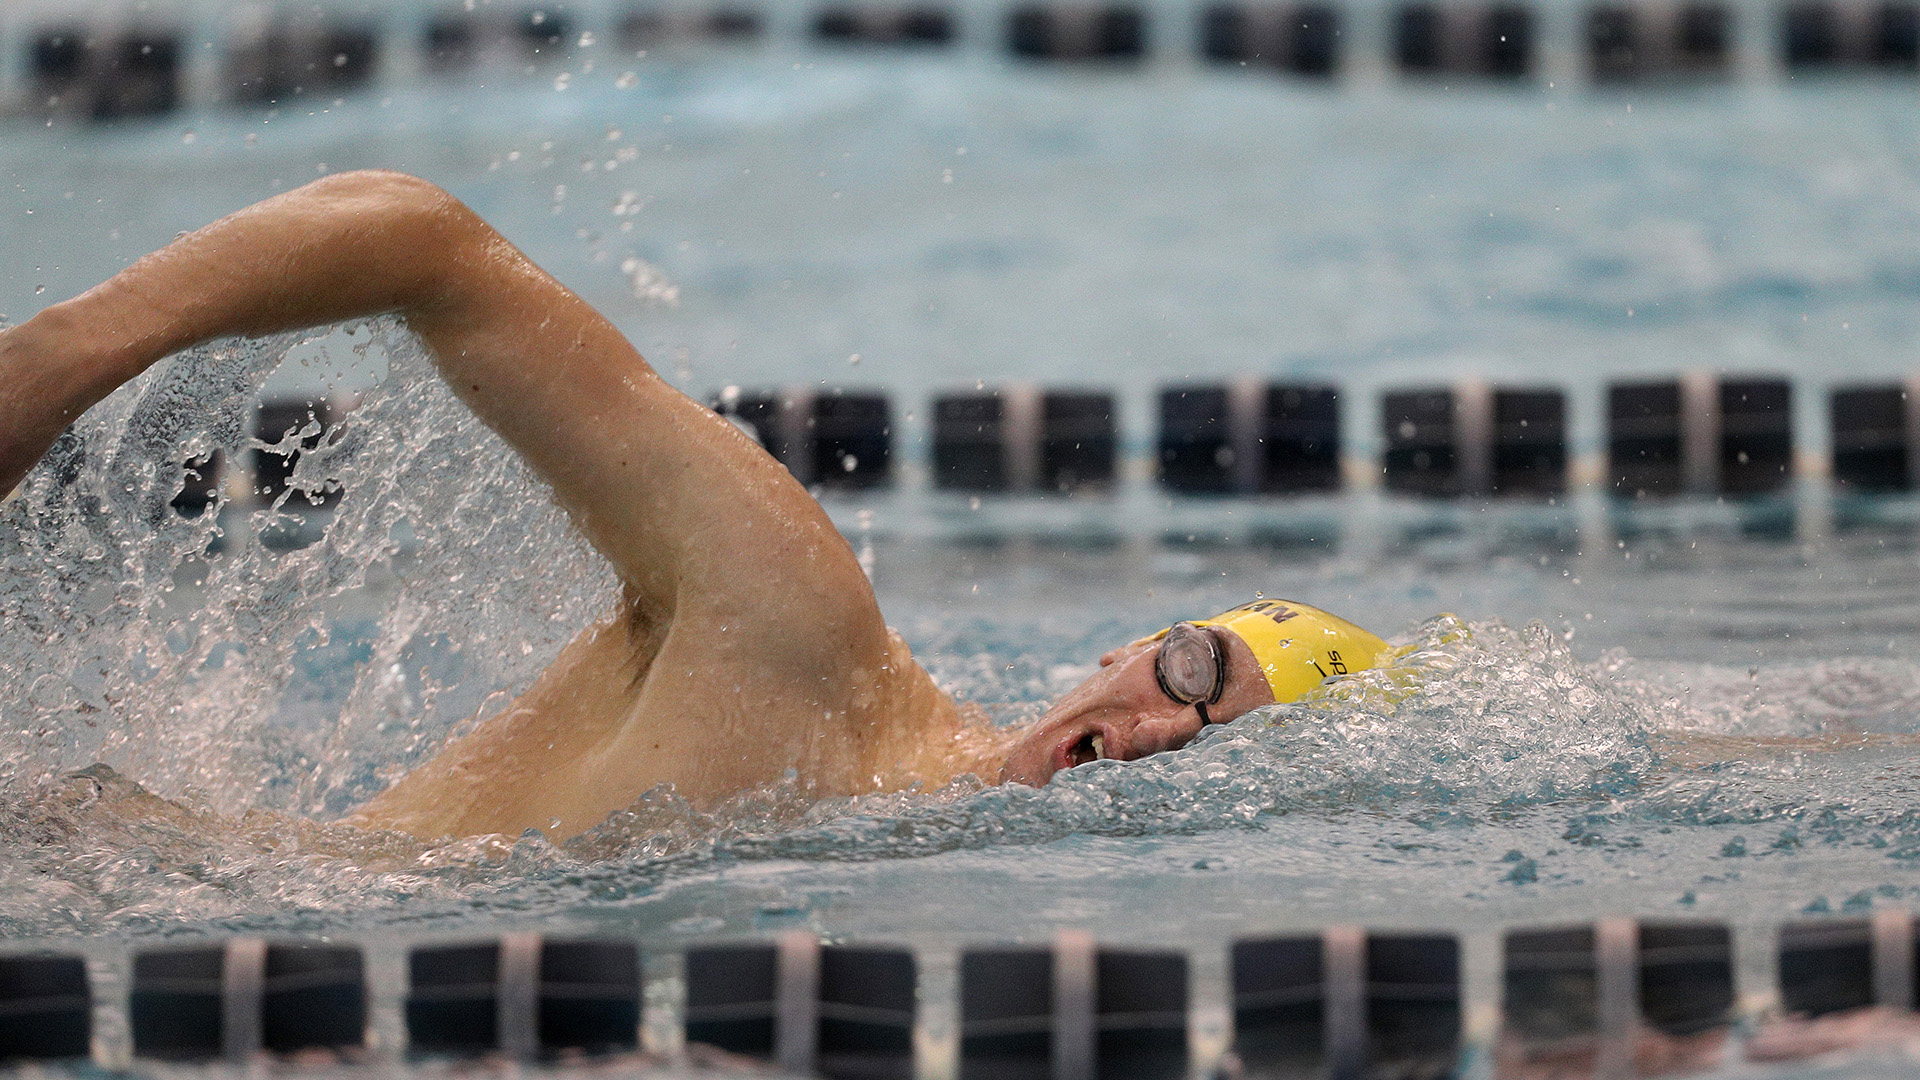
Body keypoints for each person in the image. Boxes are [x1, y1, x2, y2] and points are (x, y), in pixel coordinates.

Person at [0, 170, 1388, 842]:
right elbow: (421, 238)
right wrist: (57, 363)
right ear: (1125, 648)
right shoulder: (798, 637)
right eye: (1195, 671)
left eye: (1213, 750)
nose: (1166, 732)